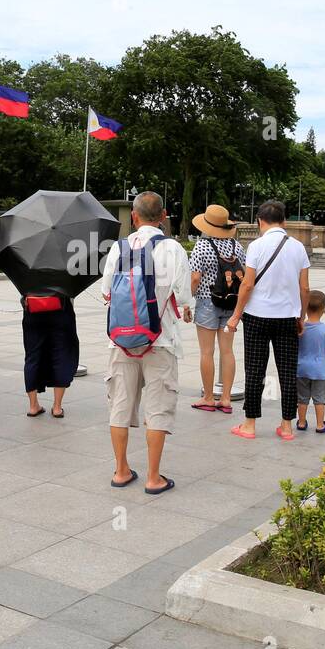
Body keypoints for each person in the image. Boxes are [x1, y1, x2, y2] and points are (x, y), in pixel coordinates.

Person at [100, 191, 193, 494]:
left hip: (121, 342)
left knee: (120, 406)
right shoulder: (173, 249)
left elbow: (107, 293)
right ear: (164, 216)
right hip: (160, 340)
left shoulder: (119, 248)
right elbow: (183, 298)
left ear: (135, 217)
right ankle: (154, 477)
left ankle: (121, 470)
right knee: (158, 407)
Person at [225, 200, 310, 442]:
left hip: (257, 317)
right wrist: (301, 316)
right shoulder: (298, 248)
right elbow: (305, 288)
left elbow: (248, 284)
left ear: (260, 221)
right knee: (287, 370)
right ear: (284, 221)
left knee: (255, 370)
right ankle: (286, 425)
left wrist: (236, 315)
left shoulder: (256, 246)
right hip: (287, 318)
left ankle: (250, 424)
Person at [187, 203, 246, 414]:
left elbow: (195, 277)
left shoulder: (201, 247)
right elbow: (245, 274)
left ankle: (209, 397)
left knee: (207, 352)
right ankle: (227, 399)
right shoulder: (236, 247)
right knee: (227, 351)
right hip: (230, 302)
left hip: (206, 301)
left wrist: (188, 297)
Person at [22, 287, 78, 419]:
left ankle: (33, 406)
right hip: (61, 308)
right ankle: (57, 407)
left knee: (32, 356)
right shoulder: (62, 265)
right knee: (62, 354)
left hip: (32, 307)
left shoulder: (28, 267)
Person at [295, 290, 325, 434]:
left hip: (301, 368)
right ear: (324, 309)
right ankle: (320, 425)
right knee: (319, 399)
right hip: (320, 370)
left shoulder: (300, 327)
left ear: (305, 307)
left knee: (302, 398)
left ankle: (301, 422)